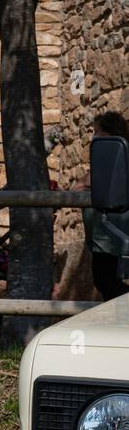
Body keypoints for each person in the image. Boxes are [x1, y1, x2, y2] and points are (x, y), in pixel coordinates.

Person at [82, 110, 129, 301]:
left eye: (97, 131)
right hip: (105, 234)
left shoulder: (117, 154)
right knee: (104, 281)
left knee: (106, 281)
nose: (94, 137)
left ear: (109, 133)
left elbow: (87, 182)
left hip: (111, 234)